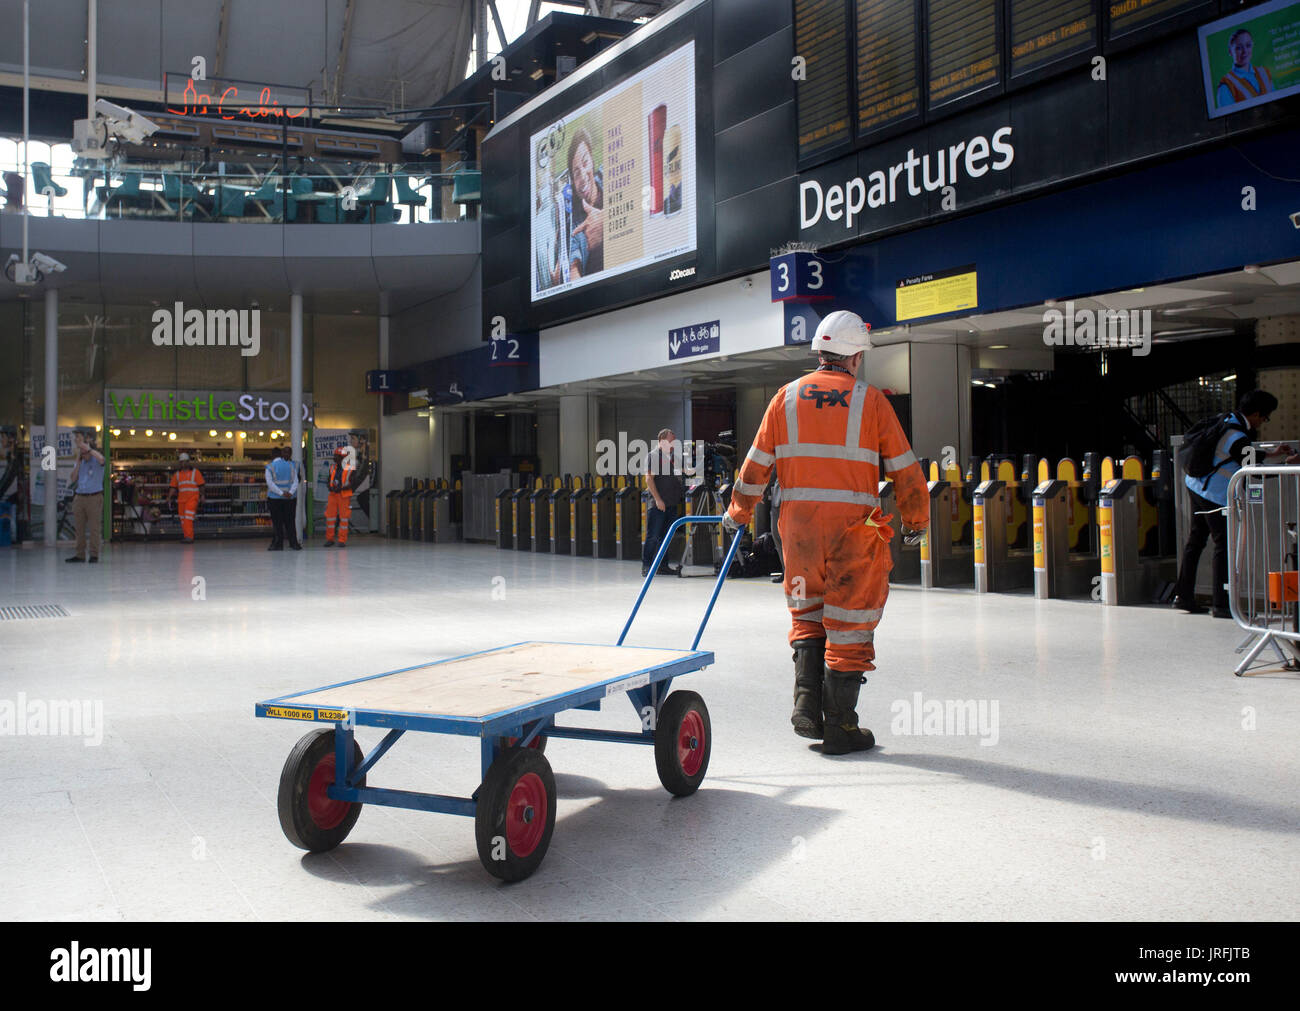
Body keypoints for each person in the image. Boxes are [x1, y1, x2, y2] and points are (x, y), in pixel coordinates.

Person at [722, 311, 929, 755]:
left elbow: (756, 465)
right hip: (853, 532)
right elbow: (906, 472)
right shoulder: (870, 401)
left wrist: (737, 514)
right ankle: (840, 725)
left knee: (807, 615)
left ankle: (805, 704)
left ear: (820, 352)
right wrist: (916, 524)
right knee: (850, 625)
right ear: (855, 356)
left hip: (797, 533)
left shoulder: (785, 398)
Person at [1172, 389, 1288, 617]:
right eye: (1265, 417)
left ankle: (1183, 596)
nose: (1264, 422)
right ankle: (1221, 604)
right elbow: (1253, 469)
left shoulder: (1227, 420)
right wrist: (1286, 464)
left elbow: (1243, 454)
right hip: (1213, 494)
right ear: (1256, 413)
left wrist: (1273, 453)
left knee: (1195, 541)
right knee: (1223, 545)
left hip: (1195, 485)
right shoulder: (1238, 436)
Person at [642, 428, 685, 577]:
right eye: (671, 440)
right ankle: (647, 565)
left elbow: (683, 473)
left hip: (672, 504)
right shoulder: (654, 456)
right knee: (653, 536)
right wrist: (658, 499)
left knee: (666, 537)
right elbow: (649, 479)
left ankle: (663, 565)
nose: (674, 443)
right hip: (658, 504)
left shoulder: (673, 458)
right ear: (662, 440)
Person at [566, 127, 604, 279]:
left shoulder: (611, 174)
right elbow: (573, 264)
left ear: (593, 159)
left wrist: (606, 222)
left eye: (585, 162)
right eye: (576, 173)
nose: (582, 176)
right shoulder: (574, 222)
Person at [66, 429, 105, 563]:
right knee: (79, 528)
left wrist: (88, 450)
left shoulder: (96, 458)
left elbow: (101, 459)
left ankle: (94, 555)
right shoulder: (80, 460)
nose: (83, 454)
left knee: (94, 528)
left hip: (94, 497)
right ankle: (80, 554)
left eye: (78, 437)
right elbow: (73, 477)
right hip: (80, 497)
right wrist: (78, 459)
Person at [1217, 29, 1273, 107]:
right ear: (1230, 51)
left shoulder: (1264, 72)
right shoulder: (1226, 84)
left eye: (1248, 45)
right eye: (1239, 48)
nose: (1245, 51)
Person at [324, 446, 364, 547]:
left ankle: (342, 540)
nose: (334, 457)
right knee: (330, 518)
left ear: (343, 458)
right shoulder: (333, 467)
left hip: (344, 495)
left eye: (336, 456)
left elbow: (353, 483)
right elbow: (329, 479)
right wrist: (329, 486)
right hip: (333, 494)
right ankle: (330, 539)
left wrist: (341, 489)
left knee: (344, 518)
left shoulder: (350, 468)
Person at [265, 444, 301, 551]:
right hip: (290, 499)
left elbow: (270, 484)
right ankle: (293, 543)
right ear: (281, 455)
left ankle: (278, 544)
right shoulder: (291, 465)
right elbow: (296, 481)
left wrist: (281, 493)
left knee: (277, 522)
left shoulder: (270, 467)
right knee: (290, 522)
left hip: (274, 499)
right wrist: (290, 492)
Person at [167, 452, 204, 543]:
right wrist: (169, 497)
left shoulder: (196, 472)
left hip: (192, 498)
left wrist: (202, 496)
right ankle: (187, 536)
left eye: (185, 462)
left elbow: (201, 485)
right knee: (183, 519)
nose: (183, 464)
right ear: (180, 463)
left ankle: (189, 537)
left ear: (188, 462)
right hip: (181, 500)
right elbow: (173, 487)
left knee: (188, 518)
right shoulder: (177, 474)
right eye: (182, 462)